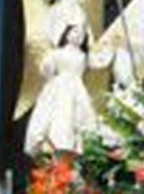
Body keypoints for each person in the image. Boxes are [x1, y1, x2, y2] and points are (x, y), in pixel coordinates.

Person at [24, 24, 112, 156]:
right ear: (67, 34)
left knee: (76, 117)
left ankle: (71, 147)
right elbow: (46, 69)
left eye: (82, 35)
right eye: (75, 32)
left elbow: (99, 62)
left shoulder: (84, 56)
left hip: (77, 91)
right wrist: (49, 68)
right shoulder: (57, 53)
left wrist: (109, 49)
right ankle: (53, 143)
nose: (78, 36)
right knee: (58, 115)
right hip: (59, 88)